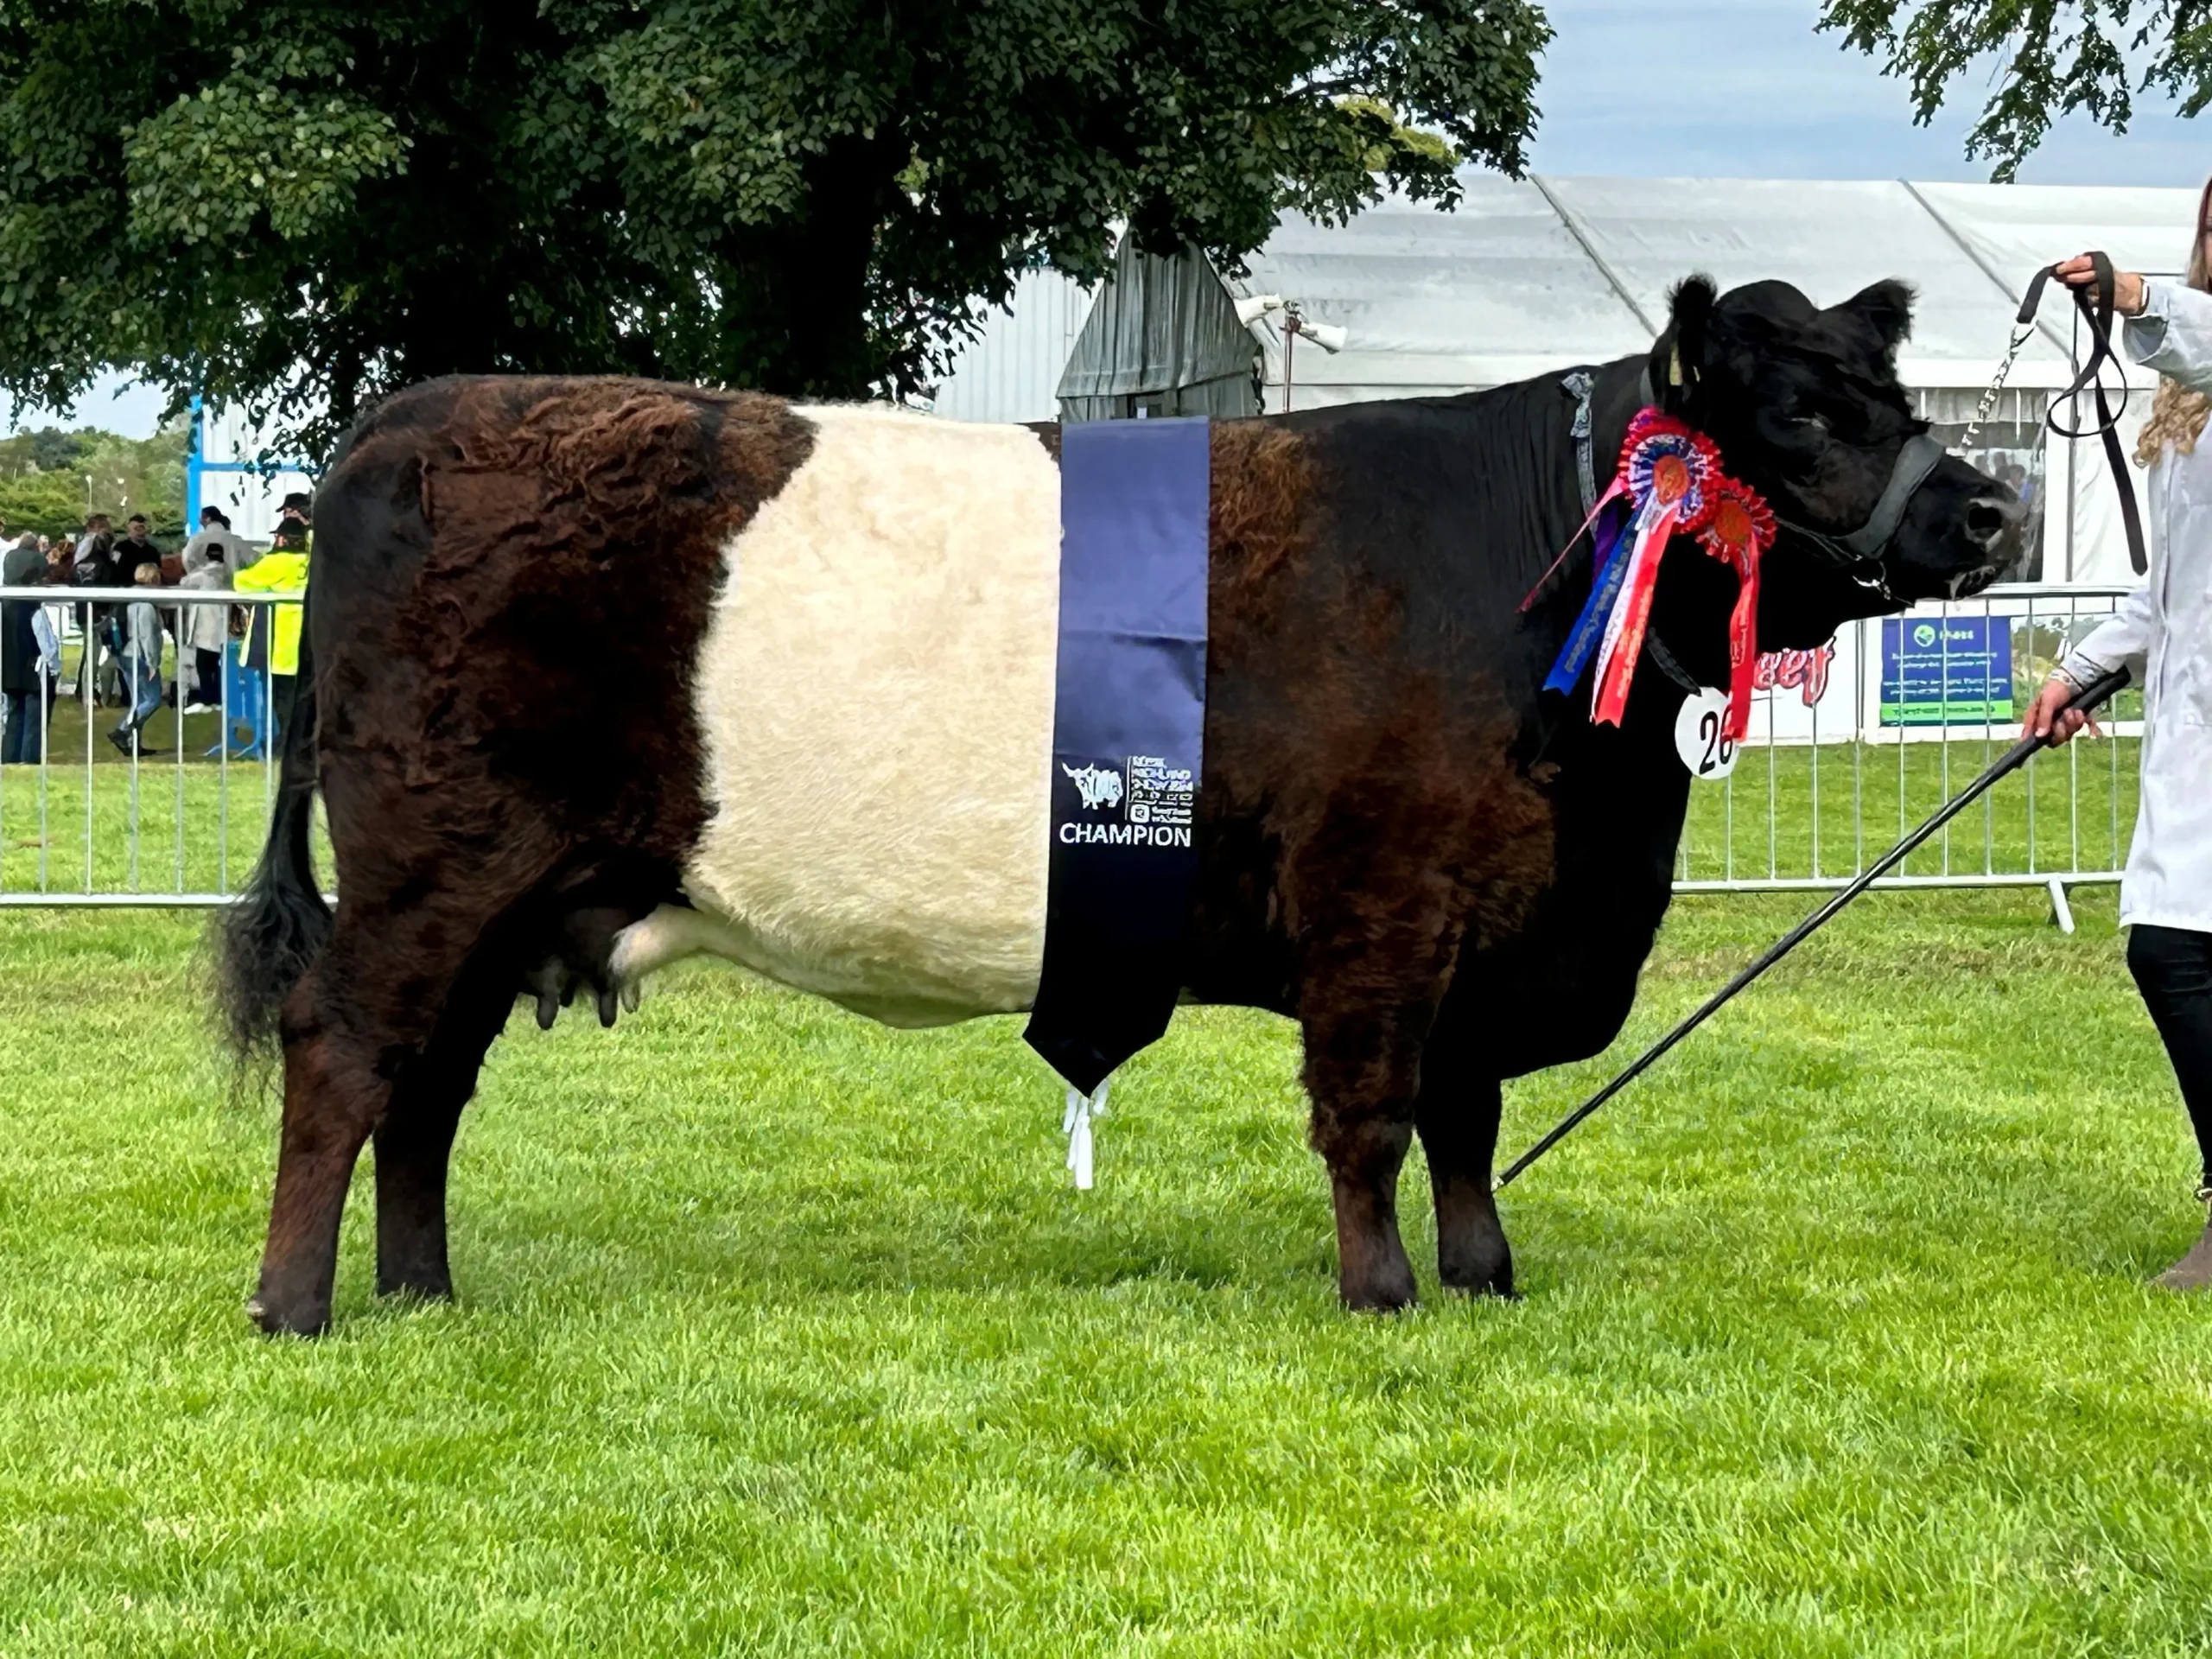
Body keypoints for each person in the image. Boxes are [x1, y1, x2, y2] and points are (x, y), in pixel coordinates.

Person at [2023, 221, 2212, 1287]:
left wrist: (2133, 297)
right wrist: (2079, 671)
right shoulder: (2188, 390)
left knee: (2174, 954)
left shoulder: (2187, 342)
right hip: (2195, 722)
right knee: (2176, 950)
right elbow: (2171, 583)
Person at [232, 520, 309, 733]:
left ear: (283, 538)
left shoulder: (278, 561)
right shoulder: (312, 560)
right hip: (311, 641)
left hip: (281, 644)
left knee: (283, 699)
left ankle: (287, 742)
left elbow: (243, 581)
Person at [1, 535, 54, 764]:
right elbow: (46, 642)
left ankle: (9, 757)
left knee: (15, 714)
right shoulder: (33, 607)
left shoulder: (5, 604)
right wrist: (54, 666)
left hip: (10, 665)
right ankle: (29, 758)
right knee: (35, 717)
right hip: (34, 667)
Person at [109, 563, 167, 754]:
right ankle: (122, 730)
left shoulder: (128, 599)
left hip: (124, 653)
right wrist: (152, 663)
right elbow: (146, 636)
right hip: (139, 656)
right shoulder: (146, 605)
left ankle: (134, 745)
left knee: (138, 701)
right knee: (152, 699)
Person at [178, 530, 232, 712]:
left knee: (204, 663)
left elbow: (184, 583)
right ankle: (219, 697)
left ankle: (208, 699)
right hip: (223, 622)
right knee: (218, 663)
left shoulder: (203, 574)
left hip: (205, 625)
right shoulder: (229, 574)